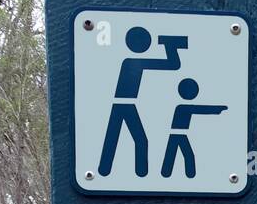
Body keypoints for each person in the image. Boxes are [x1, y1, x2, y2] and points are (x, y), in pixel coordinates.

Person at [97, 28, 187, 178]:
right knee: (136, 139)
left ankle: (108, 170)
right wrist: (170, 46)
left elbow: (172, 65)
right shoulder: (132, 62)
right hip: (124, 105)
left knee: (119, 138)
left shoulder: (131, 62)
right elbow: (171, 64)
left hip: (124, 105)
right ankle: (136, 173)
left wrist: (171, 46)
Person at [161, 79, 228, 179]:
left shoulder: (181, 107)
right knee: (187, 155)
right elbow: (200, 109)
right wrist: (217, 109)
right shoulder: (183, 107)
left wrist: (218, 109)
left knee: (175, 154)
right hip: (178, 134)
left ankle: (166, 173)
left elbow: (199, 109)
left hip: (178, 134)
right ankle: (187, 175)